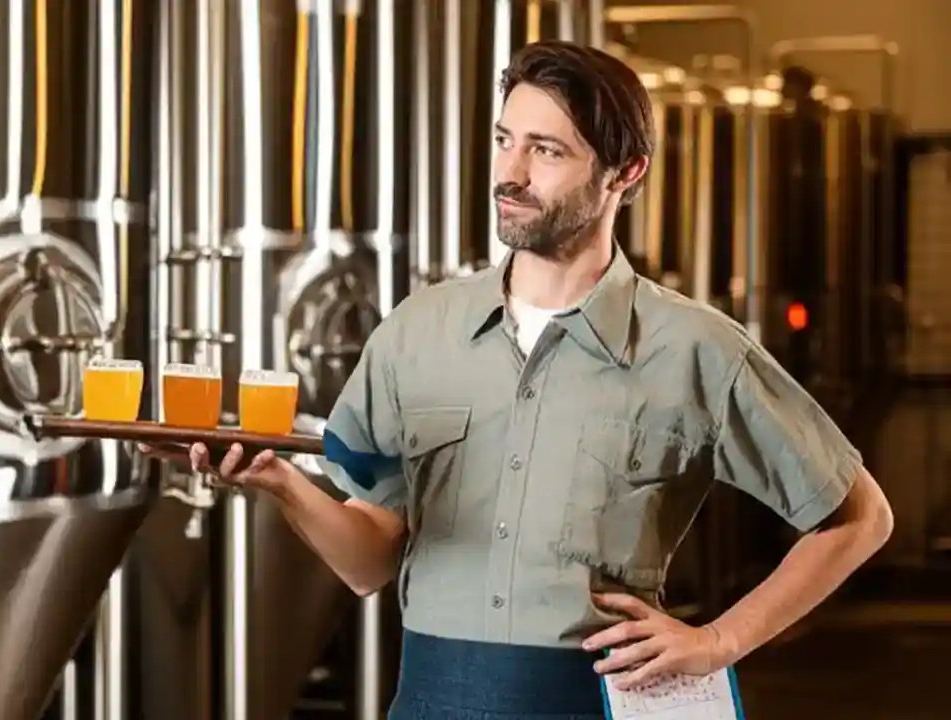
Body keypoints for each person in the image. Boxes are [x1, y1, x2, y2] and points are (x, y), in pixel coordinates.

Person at [140, 40, 893, 719]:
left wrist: (721, 640)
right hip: (433, 697)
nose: (511, 173)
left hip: (594, 699)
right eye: (505, 140)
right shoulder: (417, 332)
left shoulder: (695, 348)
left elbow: (859, 518)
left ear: (625, 173)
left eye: (547, 151)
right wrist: (279, 482)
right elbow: (368, 561)